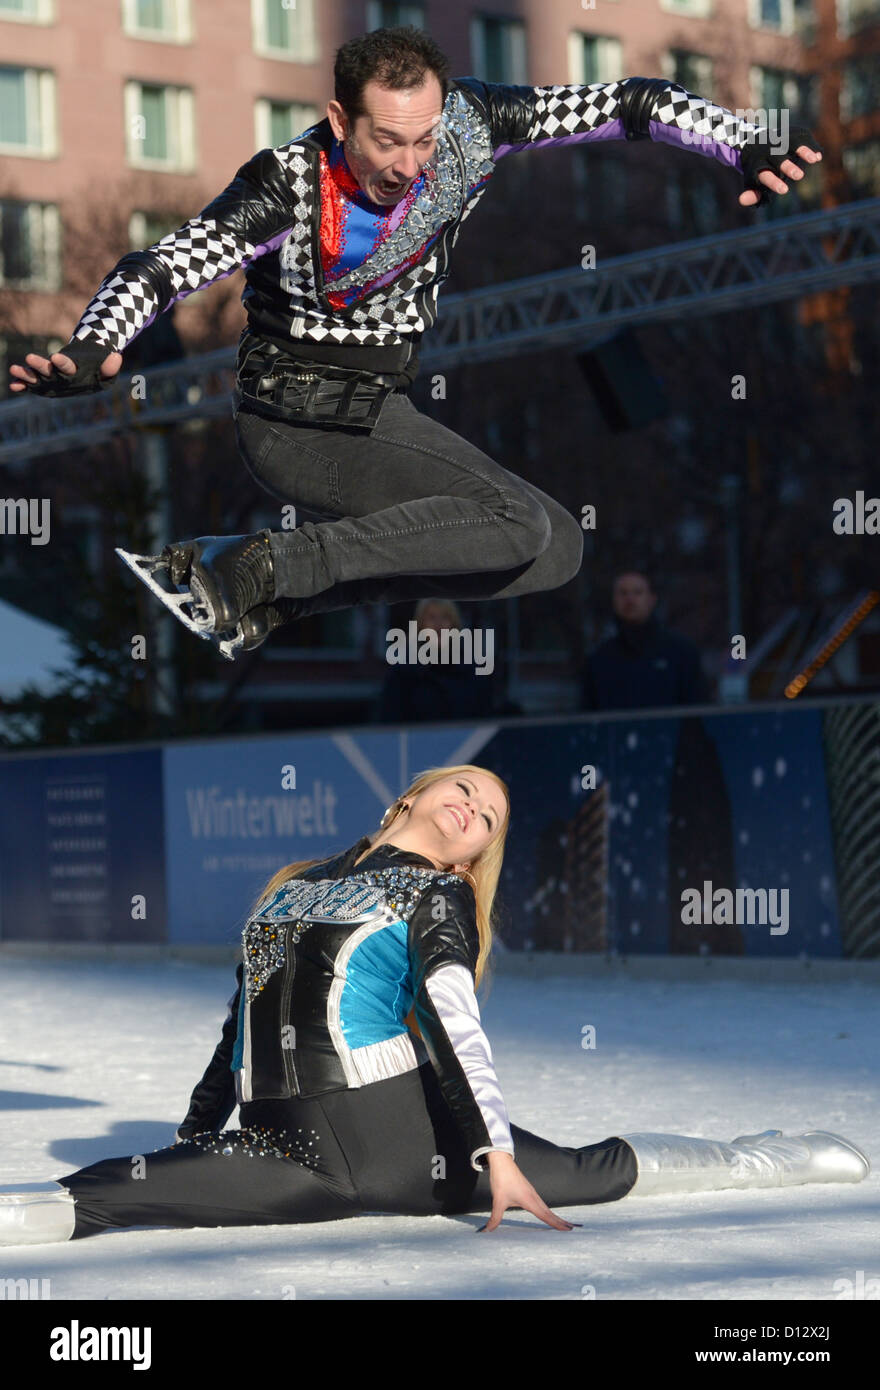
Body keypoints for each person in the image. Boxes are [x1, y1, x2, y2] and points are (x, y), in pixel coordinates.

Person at [8, 28, 823, 657]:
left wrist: (740, 140)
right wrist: (91, 346)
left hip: (377, 407)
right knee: (514, 520)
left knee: (555, 550)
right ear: (340, 121)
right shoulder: (286, 186)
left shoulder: (470, 125)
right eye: (386, 143)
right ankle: (255, 567)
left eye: (423, 140)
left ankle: (264, 591)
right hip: (294, 423)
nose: (408, 166)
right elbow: (166, 264)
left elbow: (630, 103)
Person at [0, 763, 868, 1247]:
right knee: (115, 1193)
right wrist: (194, 1135)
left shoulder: (435, 897)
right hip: (283, 1148)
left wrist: (493, 1149)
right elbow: (241, 1022)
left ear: (473, 856)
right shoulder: (292, 886)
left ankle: (772, 1155)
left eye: (490, 814)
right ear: (409, 795)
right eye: (465, 789)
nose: (474, 807)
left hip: (401, 1138)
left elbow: (456, 1025)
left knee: (587, 1169)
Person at [581, 569, 709, 710]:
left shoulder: (681, 652)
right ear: (614, 600)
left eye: (637, 592)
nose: (629, 599)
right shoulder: (599, 659)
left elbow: (698, 710)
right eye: (623, 593)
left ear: (652, 599)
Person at [375, 598, 496, 722]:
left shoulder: (473, 671)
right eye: (431, 618)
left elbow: (485, 719)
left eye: (445, 617)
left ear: (454, 625)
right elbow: (388, 723)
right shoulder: (401, 674)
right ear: (420, 626)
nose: (438, 625)